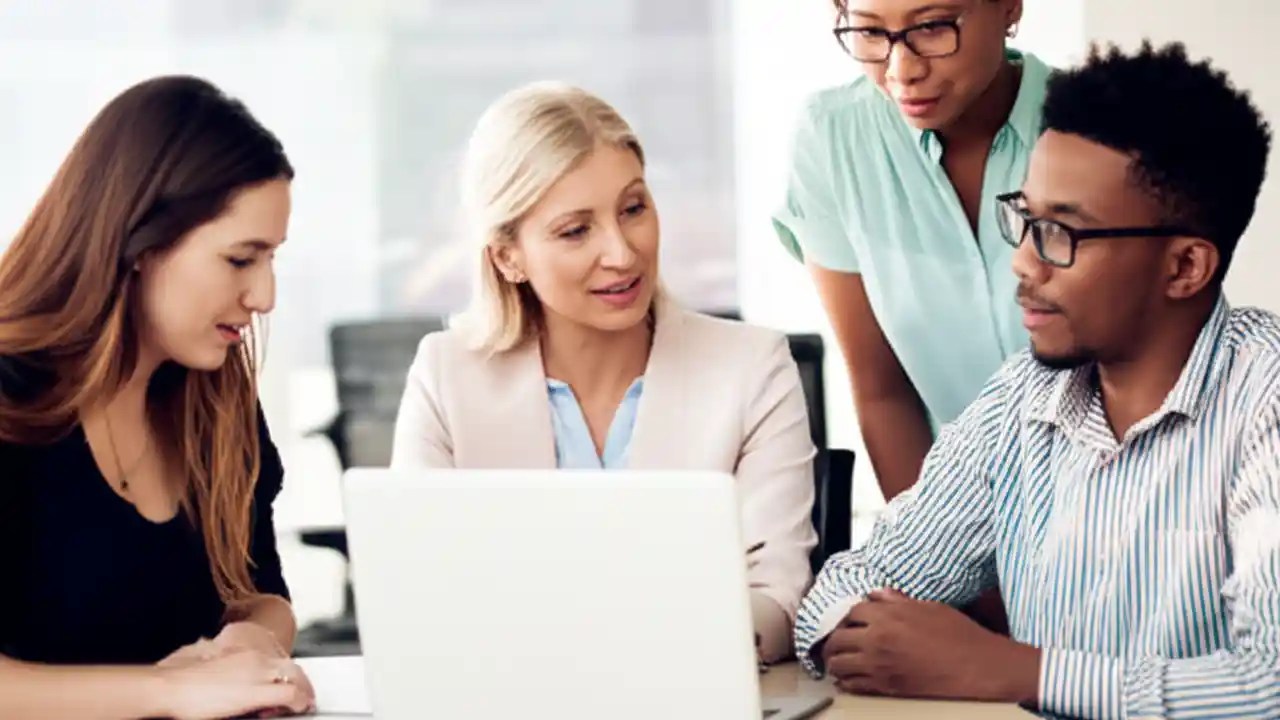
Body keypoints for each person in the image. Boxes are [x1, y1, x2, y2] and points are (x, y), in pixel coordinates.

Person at [794, 42, 1278, 719]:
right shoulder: (1021, 397)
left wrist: (1013, 670)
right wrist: (870, 635)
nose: (1022, 262)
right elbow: (848, 586)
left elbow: (1268, 686)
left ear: (1185, 269)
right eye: (1024, 218)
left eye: (1059, 233)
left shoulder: (1267, 403)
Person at [391, 82, 818, 662]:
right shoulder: (446, 376)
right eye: (576, 230)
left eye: (633, 208)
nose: (622, 252)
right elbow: (421, 599)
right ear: (507, 256)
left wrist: (654, 644)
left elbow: (779, 597)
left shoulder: (752, 368)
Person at [0, 76, 315, 719]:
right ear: (141, 243)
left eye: (272, 260)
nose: (264, 297)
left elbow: (260, 592)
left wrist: (254, 639)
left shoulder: (215, 398)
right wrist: (170, 692)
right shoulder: (10, 397)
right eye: (239, 260)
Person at [772, 0, 1044, 504]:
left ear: (1009, 6)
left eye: (933, 27)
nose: (902, 71)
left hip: (1113, 517)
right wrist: (939, 565)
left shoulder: (1102, 131)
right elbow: (882, 391)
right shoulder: (833, 137)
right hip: (946, 514)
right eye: (870, 32)